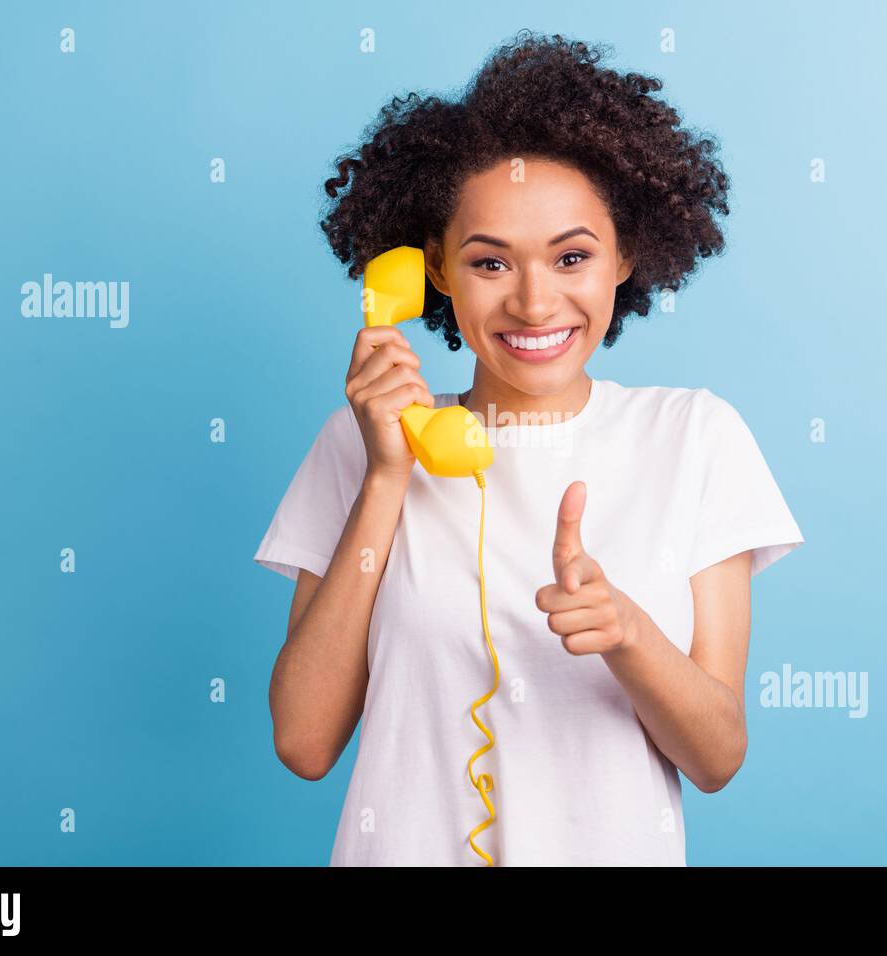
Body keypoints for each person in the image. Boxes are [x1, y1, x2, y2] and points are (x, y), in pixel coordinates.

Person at [254, 30, 804, 866]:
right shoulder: (359, 443)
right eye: (490, 263)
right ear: (433, 267)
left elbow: (718, 756)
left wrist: (629, 633)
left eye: (572, 256)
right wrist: (387, 479)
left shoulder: (695, 436)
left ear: (626, 255)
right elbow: (304, 742)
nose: (536, 302)